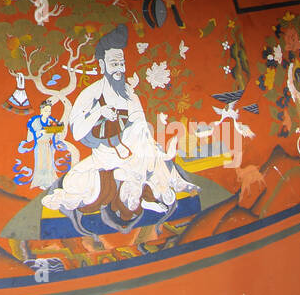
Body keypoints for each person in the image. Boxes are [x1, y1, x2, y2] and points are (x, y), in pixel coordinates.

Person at [42, 25, 195, 229]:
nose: (119, 69)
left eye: (122, 63)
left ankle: (169, 182)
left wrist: (142, 140)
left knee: (146, 138)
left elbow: (140, 123)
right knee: (76, 182)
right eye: (114, 63)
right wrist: (98, 112)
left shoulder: (128, 92)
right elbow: (77, 132)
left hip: (133, 152)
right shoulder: (90, 94)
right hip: (104, 155)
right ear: (103, 65)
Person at [22, 99, 62, 189]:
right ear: (41, 111)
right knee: (40, 164)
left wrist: (55, 133)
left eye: (49, 111)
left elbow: (56, 134)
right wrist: (40, 132)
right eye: (46, 110)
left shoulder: (51, 121)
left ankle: (48, 182)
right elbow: (29, 138)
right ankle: (40, 182)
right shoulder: (35, 121)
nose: (48, 113)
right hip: (39, 145)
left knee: (48, 163)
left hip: (47, 145)